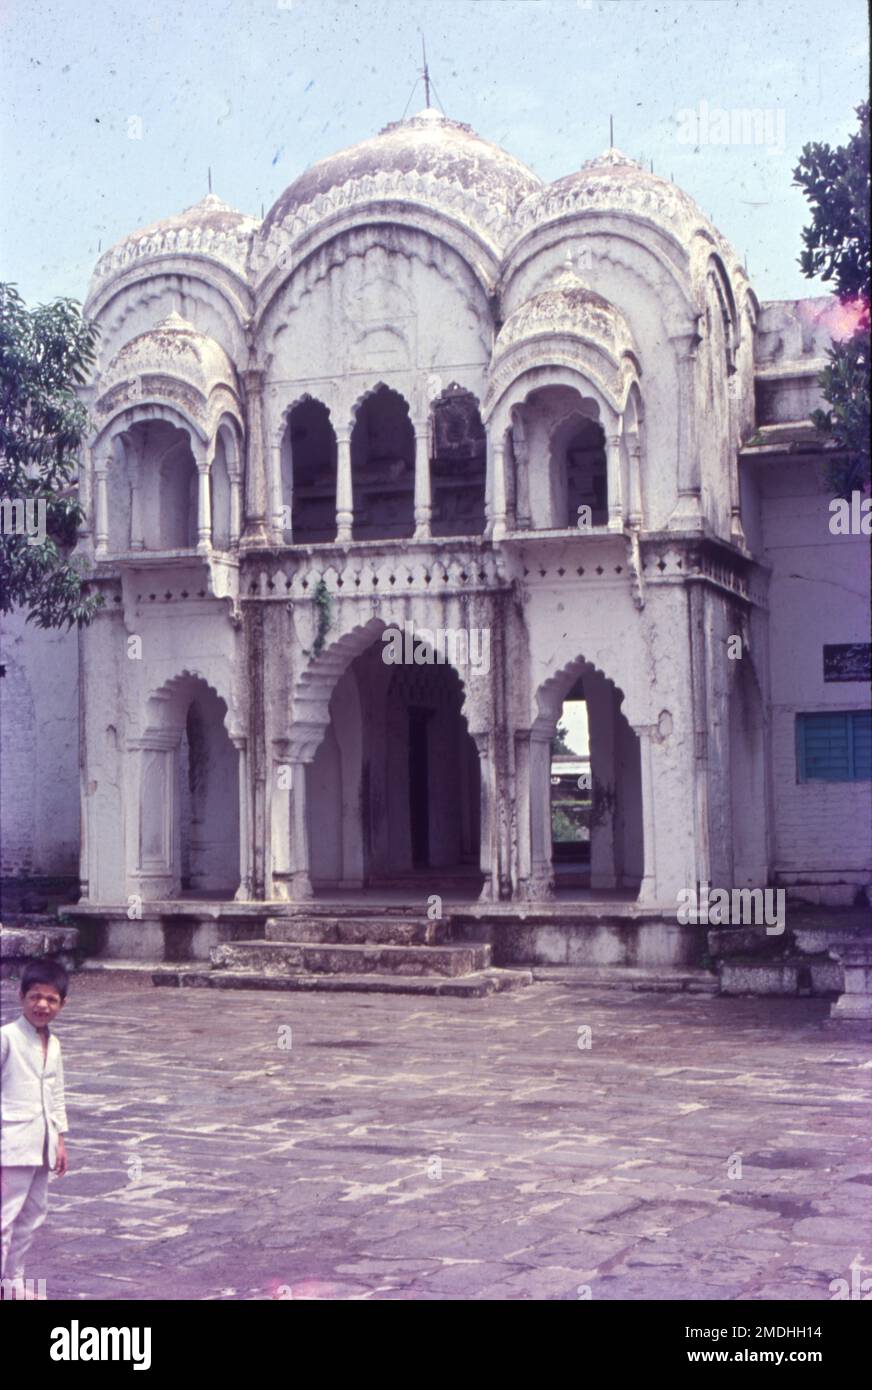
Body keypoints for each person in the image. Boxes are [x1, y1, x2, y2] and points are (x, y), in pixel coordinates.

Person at [0, 960, 70, 1299]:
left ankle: (12, 1283)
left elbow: (55, 1093)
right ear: (21, 996)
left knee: (31, 1218)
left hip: (41, 1144)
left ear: (62, 1004)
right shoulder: (6, 1039)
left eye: (51, 999)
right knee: (3, 1220)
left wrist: (59, 1140)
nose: (42, 1005)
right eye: (35, 997)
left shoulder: (53, 1044)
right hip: (9, 1144)